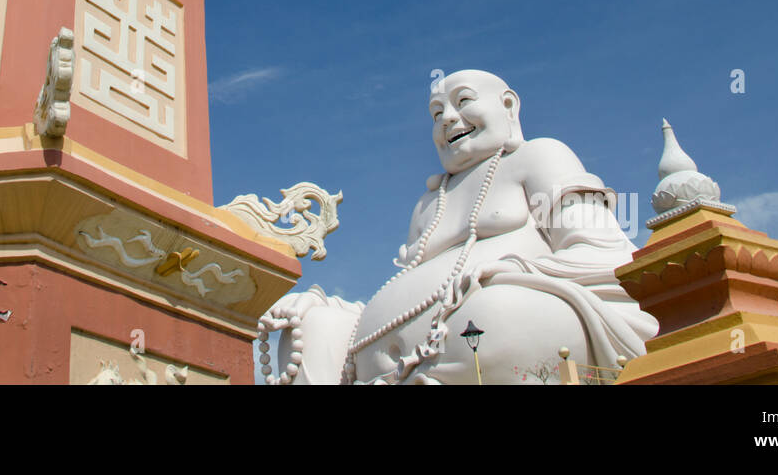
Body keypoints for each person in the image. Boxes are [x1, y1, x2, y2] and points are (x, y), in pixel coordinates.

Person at [265, 70, 657, 384]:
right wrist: (332, 307)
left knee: (494, 314)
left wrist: (516, 270)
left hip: (496, 319)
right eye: (437, 114)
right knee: (316, 327)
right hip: (393, 360)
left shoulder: (539, 156)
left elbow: (606, 254)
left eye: (463, 101)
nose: (448, 118)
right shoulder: (427, 204)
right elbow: (406, 288)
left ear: (508, 106)